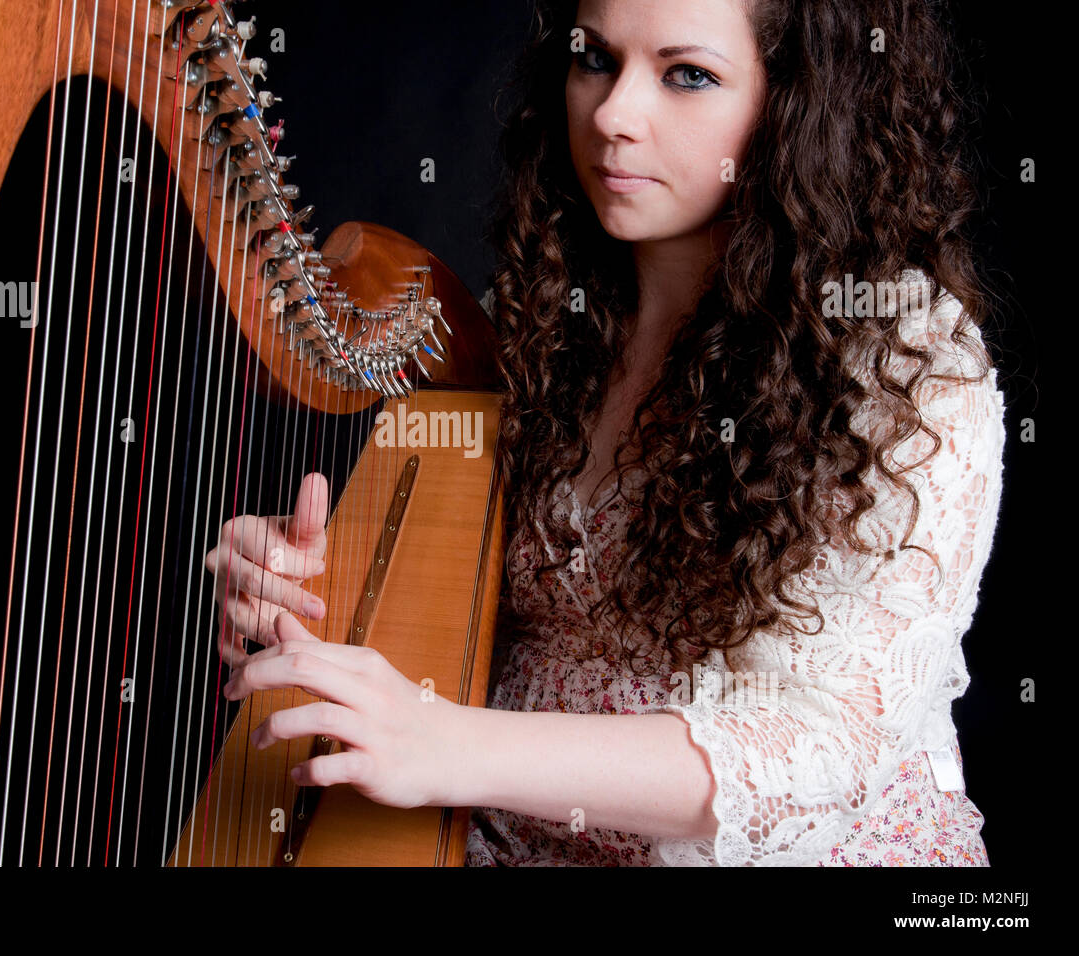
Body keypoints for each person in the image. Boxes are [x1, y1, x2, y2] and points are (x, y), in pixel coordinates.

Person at [206, 0, 1005, 865]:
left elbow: (811, 750)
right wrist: (298, 591)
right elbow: (477, 621)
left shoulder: (904, 367)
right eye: (596, 60)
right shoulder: (551, 326)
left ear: (798, 104)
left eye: (686, 75)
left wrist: (444, 743)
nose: (615, 115)